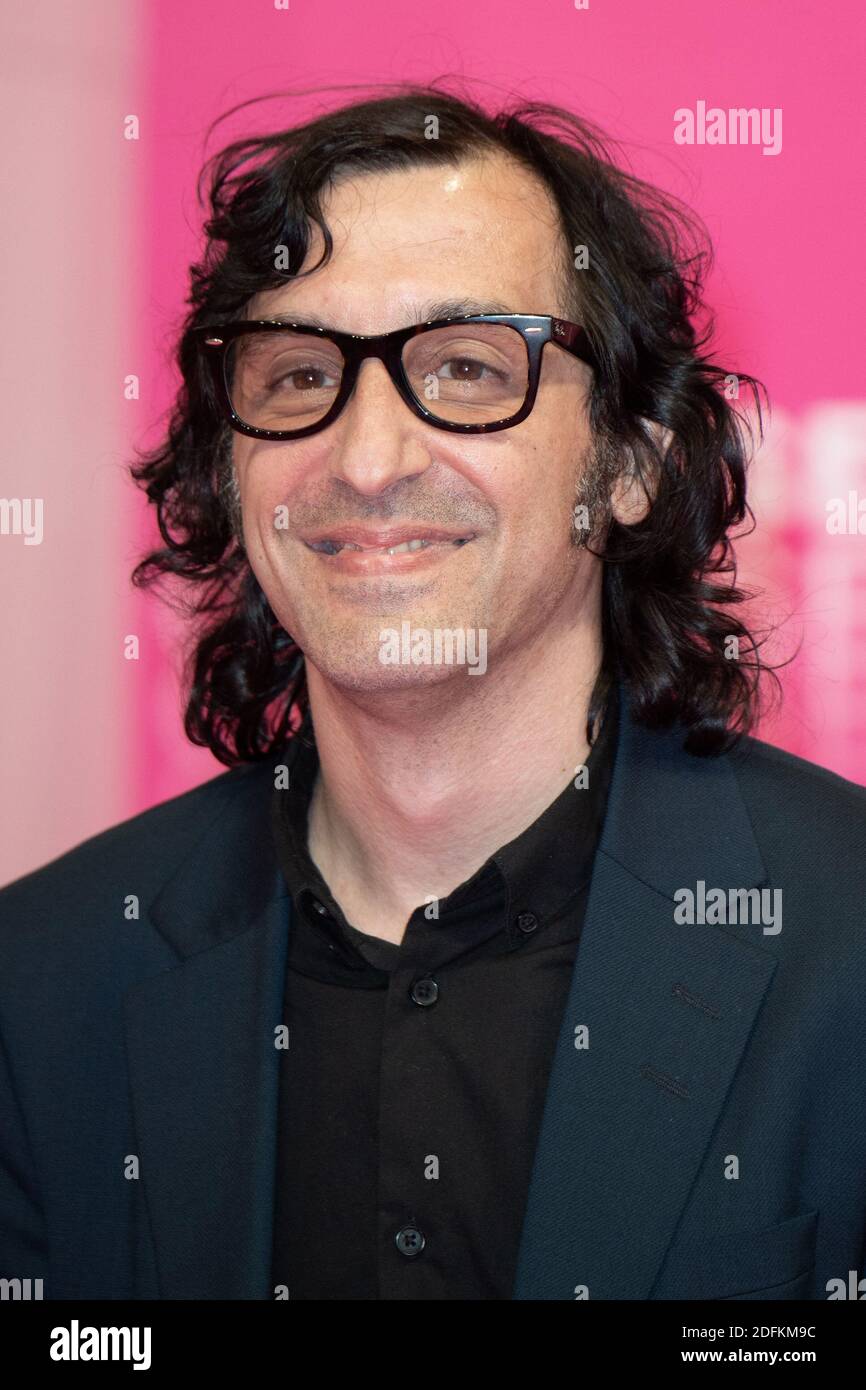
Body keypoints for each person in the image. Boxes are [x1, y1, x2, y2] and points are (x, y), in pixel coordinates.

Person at [1, 84, 865, 1302]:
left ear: (627, 464)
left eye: (465, 367)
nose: (365, 457)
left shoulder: (843, 947)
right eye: (299, 375)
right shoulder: (42, 983)